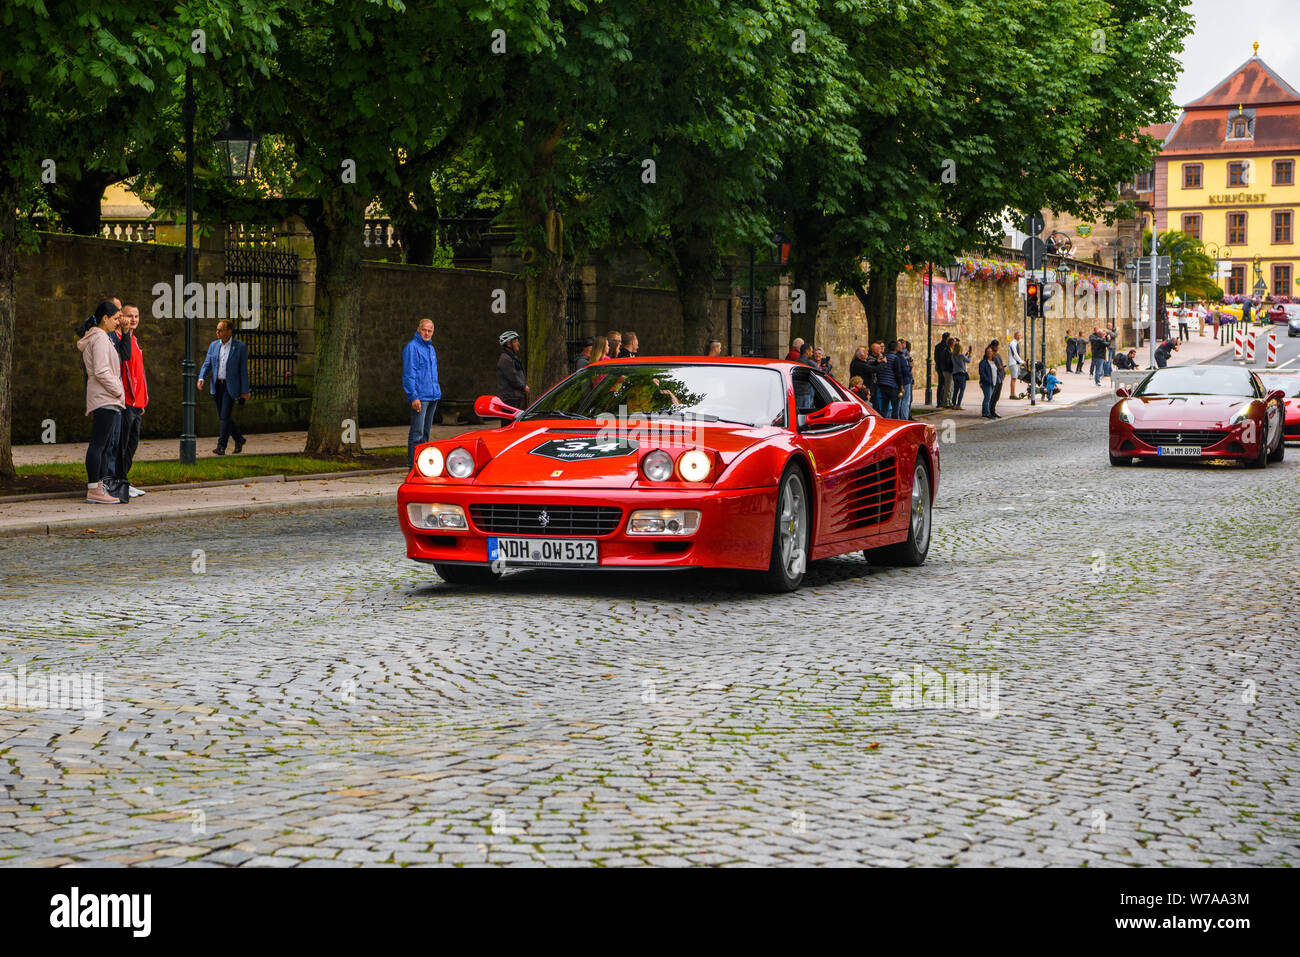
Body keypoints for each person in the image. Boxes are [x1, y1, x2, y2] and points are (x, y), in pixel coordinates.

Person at [78, 301, 127, 504]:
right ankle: (94, 489)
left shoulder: (101, 338)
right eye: (116, 318)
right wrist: (118, 390)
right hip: (105, 398)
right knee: (98, 445)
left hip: (107, 398)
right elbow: (101, 370)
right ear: (105, 318)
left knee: (103, 444)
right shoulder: (99, 338)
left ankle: (98, 487)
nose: (118, 322)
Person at [196, 319, 250, 455]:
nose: (217, 332)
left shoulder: (240, 347)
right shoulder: (213, 346)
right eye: (217, 329)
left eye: (220, 330)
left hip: (230, 387)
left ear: (229, 331)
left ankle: (221, 446)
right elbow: (207, 364)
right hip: (217, 385)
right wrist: (201, 377)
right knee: (223, 416)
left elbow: (243, 371)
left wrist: (245, 391)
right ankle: (239, 438)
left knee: (225, 415)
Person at [115, 303, 148, 497]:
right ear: (121, 318)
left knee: (132, 444)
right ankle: (120, 482)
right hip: (126, 401)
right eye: (130, 315)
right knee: (122, 444)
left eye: (136, 316)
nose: (134, 319)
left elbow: (139, 373)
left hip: (138, 402)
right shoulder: (121, 339)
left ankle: (124, 479)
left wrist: (143, 400)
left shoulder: (134, 340)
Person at [401, 318, 441, 469]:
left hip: (432, 396)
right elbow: (409, 374)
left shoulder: (431, 349)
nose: (427, 333)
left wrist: (436, 390)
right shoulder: (412, 348)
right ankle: (413, 467)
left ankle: (422, 467)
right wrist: (413, 396)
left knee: (425, 434)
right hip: (420, 397)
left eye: (430, 331)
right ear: (419, 330)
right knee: (417, 434)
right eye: (424, 330)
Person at [496, 331, 528, 414]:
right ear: (508, 344)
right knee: (509, 423)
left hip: (514, 397)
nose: (518, 344)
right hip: (509, 398)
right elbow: (512, 377)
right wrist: (523, 386)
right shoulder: (505, 359)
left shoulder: (512, 357)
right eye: (515, 341)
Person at [876, 340, 899, 418]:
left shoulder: (884, 357)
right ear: (896, 348)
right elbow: (898, 374)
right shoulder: (895, 358)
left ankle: (884, 422)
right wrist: (901, 386)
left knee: (884, 407)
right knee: (895, 407)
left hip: (883, 384)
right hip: (892, 385)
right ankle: (895, 422)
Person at [978, 346, 999, 419]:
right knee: (987, 398)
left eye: (990, 351)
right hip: (987, 383)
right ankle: (987, 413)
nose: (989, 353)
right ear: (986, 353)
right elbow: (981, 372)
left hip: (993, 382)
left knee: (988, 398)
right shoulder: (983, 362)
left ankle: (984, 412)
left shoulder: (993, 361)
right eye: (988, 352)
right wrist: (987, 380)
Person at [950, 338, 970, 409]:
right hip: (961, 374)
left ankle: (953, 404)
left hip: (955, 374)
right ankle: (958, 405)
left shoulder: (952, 356)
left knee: (955, 390)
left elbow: (959, 360)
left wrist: (965, 355)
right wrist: (969, 355)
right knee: (962, 390)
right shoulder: (962, 356)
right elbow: (968, 361)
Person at [896, 340, 914, 419]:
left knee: (902, 401)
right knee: (905, 401)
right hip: (905, 381)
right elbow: (905, 370)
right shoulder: (901, 357)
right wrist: (910, 366)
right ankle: (904, 418)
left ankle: (902, 417)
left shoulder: (900, 356)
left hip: (904, 380)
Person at [987, 340, 1005, 417]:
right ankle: (990, 410)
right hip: (994, 378)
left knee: (997, 395)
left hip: (1000, 377)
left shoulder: (998, 355)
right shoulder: (991, 356)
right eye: (996, 346)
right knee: (993, 395)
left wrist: (1003, 373)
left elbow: (1000, 364)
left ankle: (993, 409)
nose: (997, 347)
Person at [936, 332, 953, 408]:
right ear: (947, 338)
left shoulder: (938, 346)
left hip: (940, 368)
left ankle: (939, 402)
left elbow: (936, 358)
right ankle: (944, 401)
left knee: (941, 385)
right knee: (945, 385)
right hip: (945, 368)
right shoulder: (946, 348)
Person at [1006, 332, 1024, 399]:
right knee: (1013, 379)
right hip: (1013, 363)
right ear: (1015, 336)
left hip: (1015, 363)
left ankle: (1013, 393)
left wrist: (1020, 361)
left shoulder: (1015, 343)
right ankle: (1012, 394)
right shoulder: (1013, 344)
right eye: (1018, 335)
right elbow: (1015, 354)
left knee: (1014, 378)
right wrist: (1021, 362)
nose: (1019, 337)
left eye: (1020, 335)